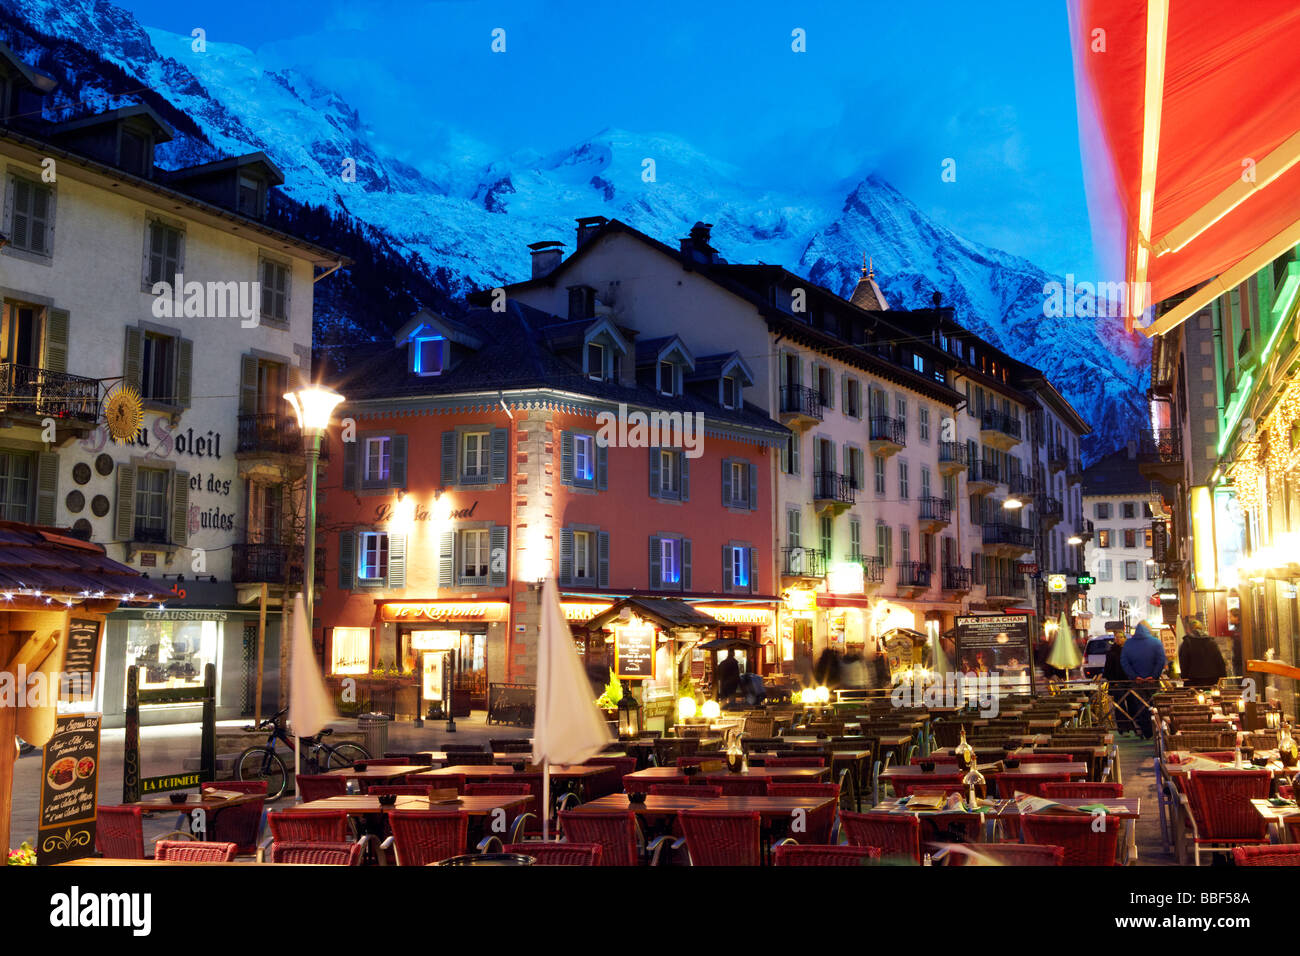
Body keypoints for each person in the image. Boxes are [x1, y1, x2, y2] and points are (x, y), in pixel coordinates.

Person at [1121, 621, 1167, 738]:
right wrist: (1154, 675)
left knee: (1140, 707)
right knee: (1155, 705)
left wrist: (1135, 676)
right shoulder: (1156, 643)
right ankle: (1157, 730)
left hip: (1137, 683)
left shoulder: (1128, 644)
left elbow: (1124, 662)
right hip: (1153, 682)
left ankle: (1146, 731)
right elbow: (1161, 660)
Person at [1178, 619, 1227, 687]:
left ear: (1189, 629)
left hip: (1193, 679)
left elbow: (1184, 660)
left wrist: (1184, 676)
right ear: (1202, 628)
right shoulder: (1211, 641)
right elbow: (1219, 659)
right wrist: (1223, 675)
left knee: (1193, 696)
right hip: (1212, 678)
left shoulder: (1187, 642)